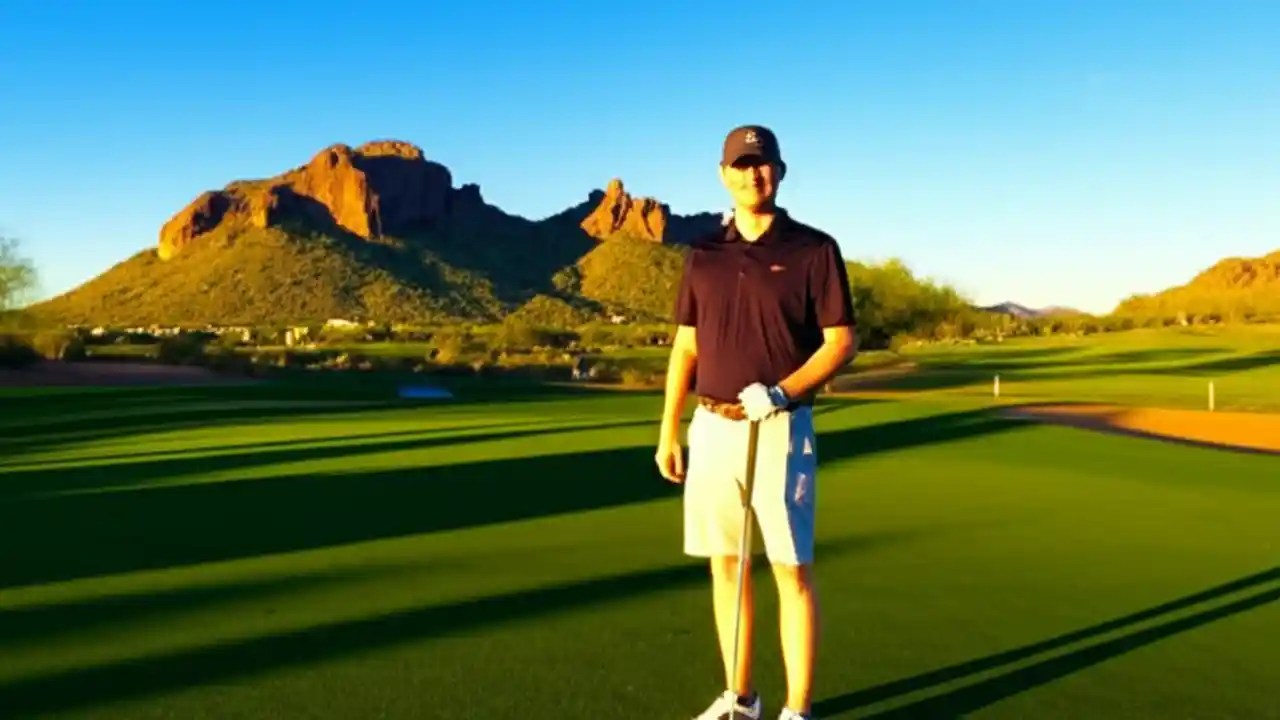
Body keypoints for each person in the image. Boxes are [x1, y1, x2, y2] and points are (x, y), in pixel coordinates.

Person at [655, 124, 857, 720]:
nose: (752, 174)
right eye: (741, 166)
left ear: (780, 171)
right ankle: (741, 699)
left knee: (791, 570)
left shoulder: (813, 249)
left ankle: (798, 710)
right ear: (724, 174)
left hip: (781, 427)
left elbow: (840, 342)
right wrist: (669, 427)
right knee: (726, 565)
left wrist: (782, 391)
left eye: (762, 164)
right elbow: (685, 347)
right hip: (712, 426)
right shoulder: (703, 254)